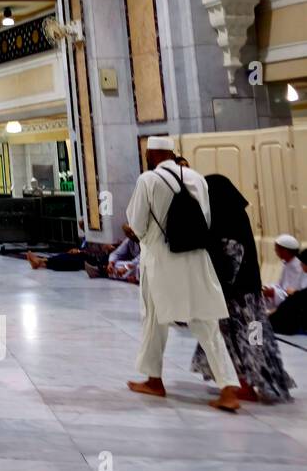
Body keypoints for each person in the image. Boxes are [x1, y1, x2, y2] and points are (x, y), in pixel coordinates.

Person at [124, 136, 241, 411]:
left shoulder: (148, 180)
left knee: (154, 320)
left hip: (160, 261)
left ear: (152, 155)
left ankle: (154, 381)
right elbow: (207, 220)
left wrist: (142, 233)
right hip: (197, 259)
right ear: (171, 152)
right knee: (207, 325)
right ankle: (228, 389)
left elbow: (137, 223)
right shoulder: (196, 178)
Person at [190, 175, 295, 403]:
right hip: (251, 298)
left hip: (236, 299)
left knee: (242, 340)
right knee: (256, 339)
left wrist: (219, 287)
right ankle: (255, 382)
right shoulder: (238, 217)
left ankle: (245, 384)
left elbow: (231, 258)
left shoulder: (224, 221)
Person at [267, 234, 307, 334]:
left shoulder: (299, 266)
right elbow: (282, 285)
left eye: (277, 249)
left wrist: (275, 293)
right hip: (291, 298)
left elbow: (298, 294)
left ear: (284, 251)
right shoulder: (287, 264)